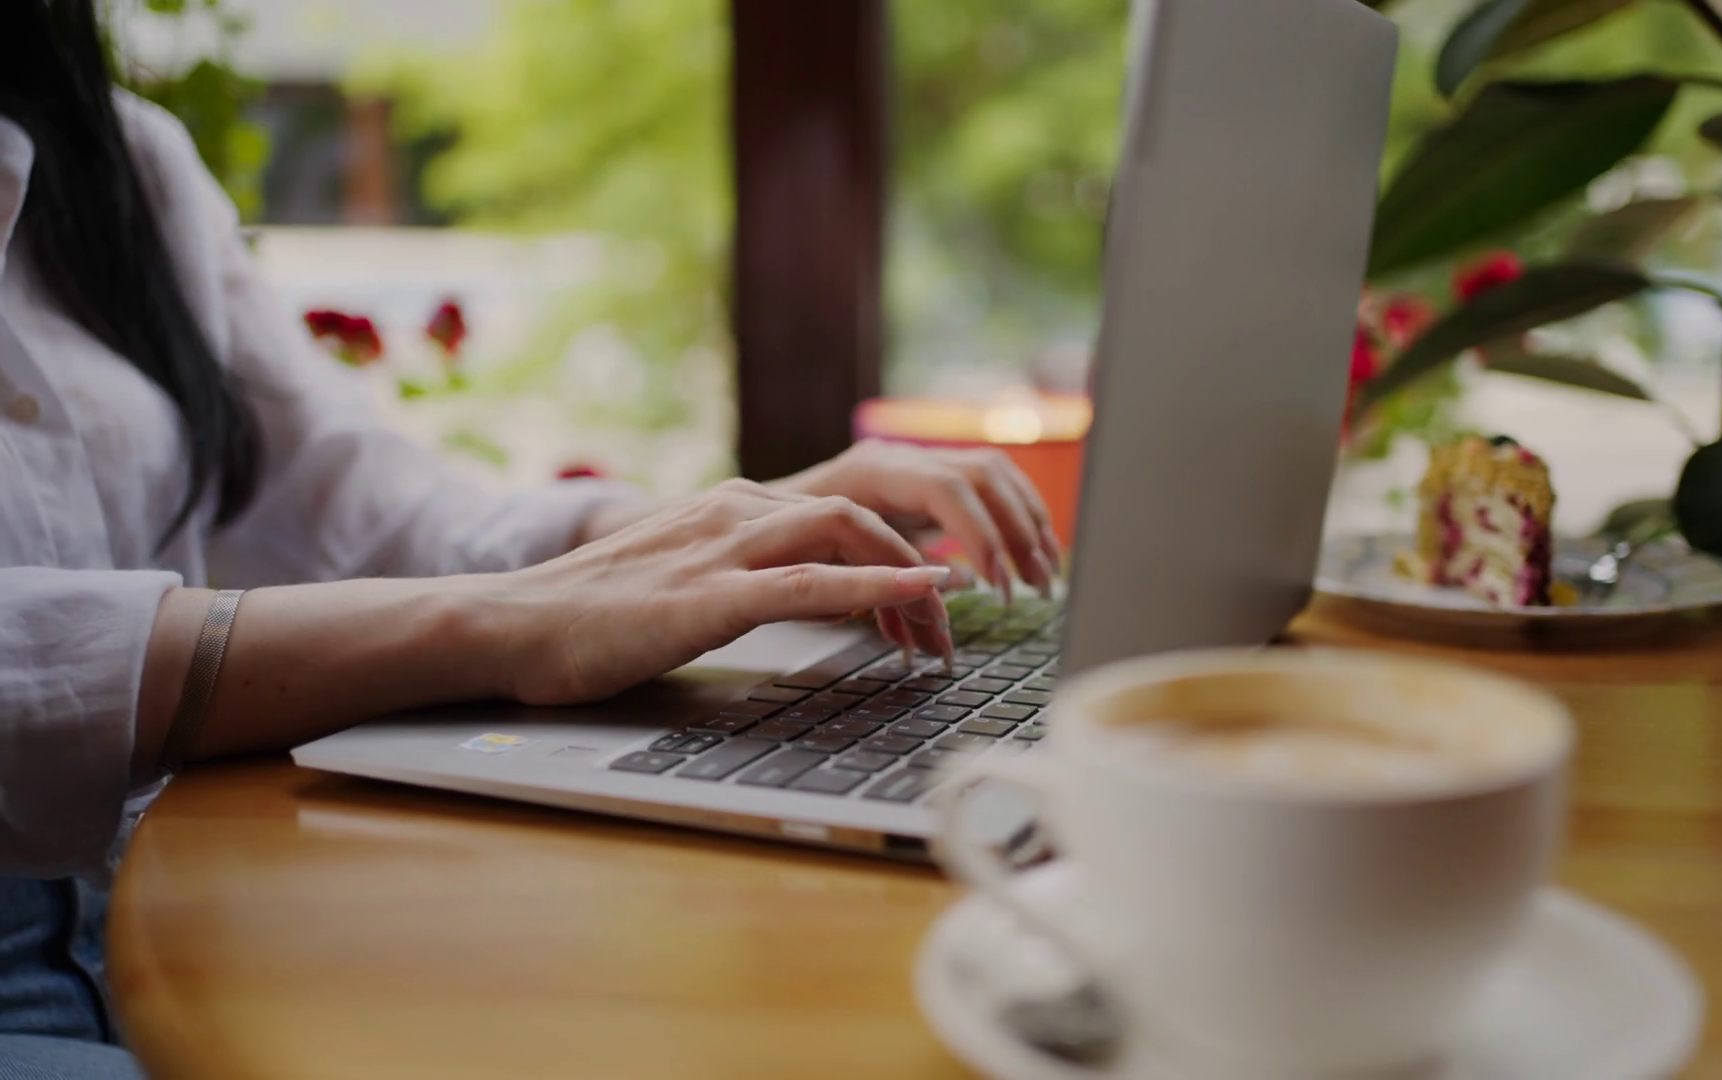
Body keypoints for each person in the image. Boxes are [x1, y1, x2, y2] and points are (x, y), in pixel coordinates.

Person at [0, 3, 1062, 1076]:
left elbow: (367, 505)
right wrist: (505, 622)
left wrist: (721, 528)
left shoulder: (120, 157)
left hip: (126, 906)